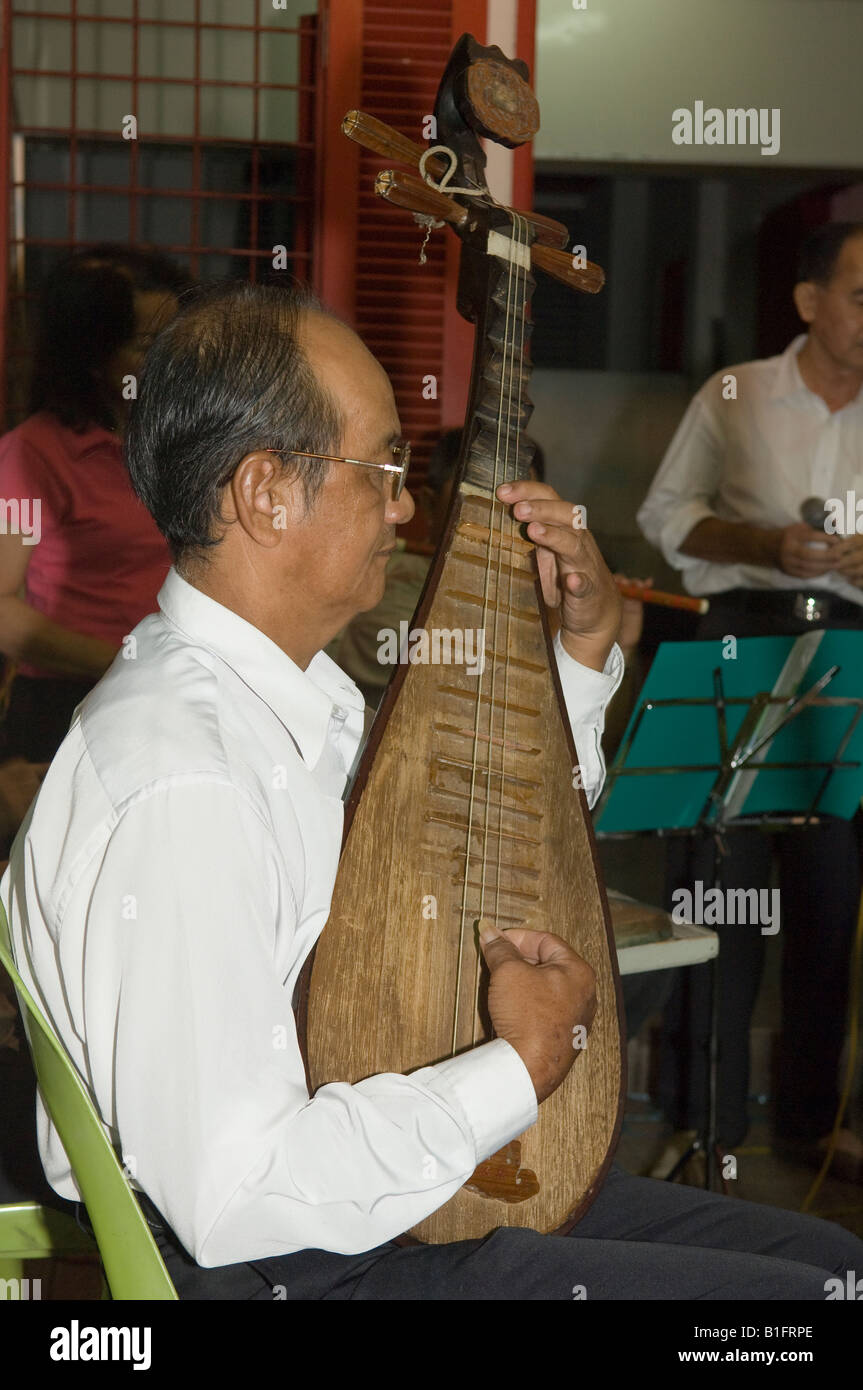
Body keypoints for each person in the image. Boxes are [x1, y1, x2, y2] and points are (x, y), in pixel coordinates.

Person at [3, 281, 862, 1300]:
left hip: (375, 1197)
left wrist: (577, 658)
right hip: (294, 1262)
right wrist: (516, 1062)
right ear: (263, 492)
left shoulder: (289, 703)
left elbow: (467, 855)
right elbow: (233, 1192)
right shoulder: (184, 777)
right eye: (383, 470)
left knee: (834, 1268)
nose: (407, 506)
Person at [637, 221, 863, 1180]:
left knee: (829, 896)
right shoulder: (733, 393)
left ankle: (813, 1124)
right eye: (860, 293)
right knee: (717, 883)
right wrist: (760, 544)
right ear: (809, 300)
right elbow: (664, 514)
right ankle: (706, 1119)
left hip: (850, 650)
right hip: (740, 631)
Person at [0, 244, 188, 774]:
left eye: (174, 342)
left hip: (167, 692)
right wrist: (123, 660)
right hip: (69, 703)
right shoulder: (34, 455)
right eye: (148, 345)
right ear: (92, 355)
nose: (167, 363)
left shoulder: (168, 441)